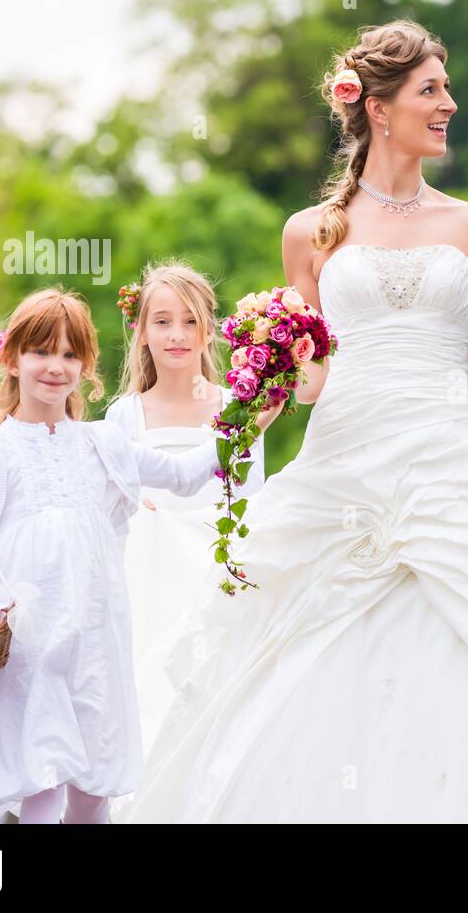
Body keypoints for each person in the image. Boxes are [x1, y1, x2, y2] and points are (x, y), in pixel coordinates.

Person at [125, 20, 468, 823]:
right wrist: (263, 376)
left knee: (464, 658)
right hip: (343, 460)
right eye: (431, 90)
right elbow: (311, 385)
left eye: (444, 87)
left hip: (450, 463)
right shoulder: (310, 234)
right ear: (377, 107)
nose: (449, 103)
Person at [0, 287, 283, 823]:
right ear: (11, 359)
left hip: (97, 642)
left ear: (87, 367)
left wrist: (248, 424)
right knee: (44, 782)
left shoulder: (102, 444)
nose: (56, 367)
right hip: (34, 646)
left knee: (95, 793)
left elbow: (187, 475)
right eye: (42, 352)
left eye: (71, 355)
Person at [103, 261, 265, 768]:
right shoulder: (123, 416)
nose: (177, 335)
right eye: (163, 321)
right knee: (146, 701)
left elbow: (250, 499)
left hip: (214, 575)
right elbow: (114, 507)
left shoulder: (239, 404)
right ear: (142, 331)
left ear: (209, 329)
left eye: (190, 321)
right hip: (145, 581)